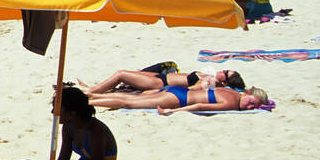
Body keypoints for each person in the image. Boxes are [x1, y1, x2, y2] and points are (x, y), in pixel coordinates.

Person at [90, 84, 268, 113]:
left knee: (130, 97)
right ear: (248, 94)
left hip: (178, 90)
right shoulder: (231, 103)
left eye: (254, 107)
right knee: (129, 102)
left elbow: (204, 89)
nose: (250, 107)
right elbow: (199, 106)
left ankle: (92, 95)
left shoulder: (231, 91)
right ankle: (88, 102)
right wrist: (173, 110)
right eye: (252, 103)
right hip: (178, 99)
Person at [78, 68, 244, 94]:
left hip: (159, 84)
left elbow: (191, 90)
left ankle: (91, 92)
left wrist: (157, 92)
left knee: (121, 74)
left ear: (226, 81)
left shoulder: (210, 83)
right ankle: (94, 88)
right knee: (127, 73)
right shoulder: (211, 78)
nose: (222, 70)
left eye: (225, 72)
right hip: (159, 77)